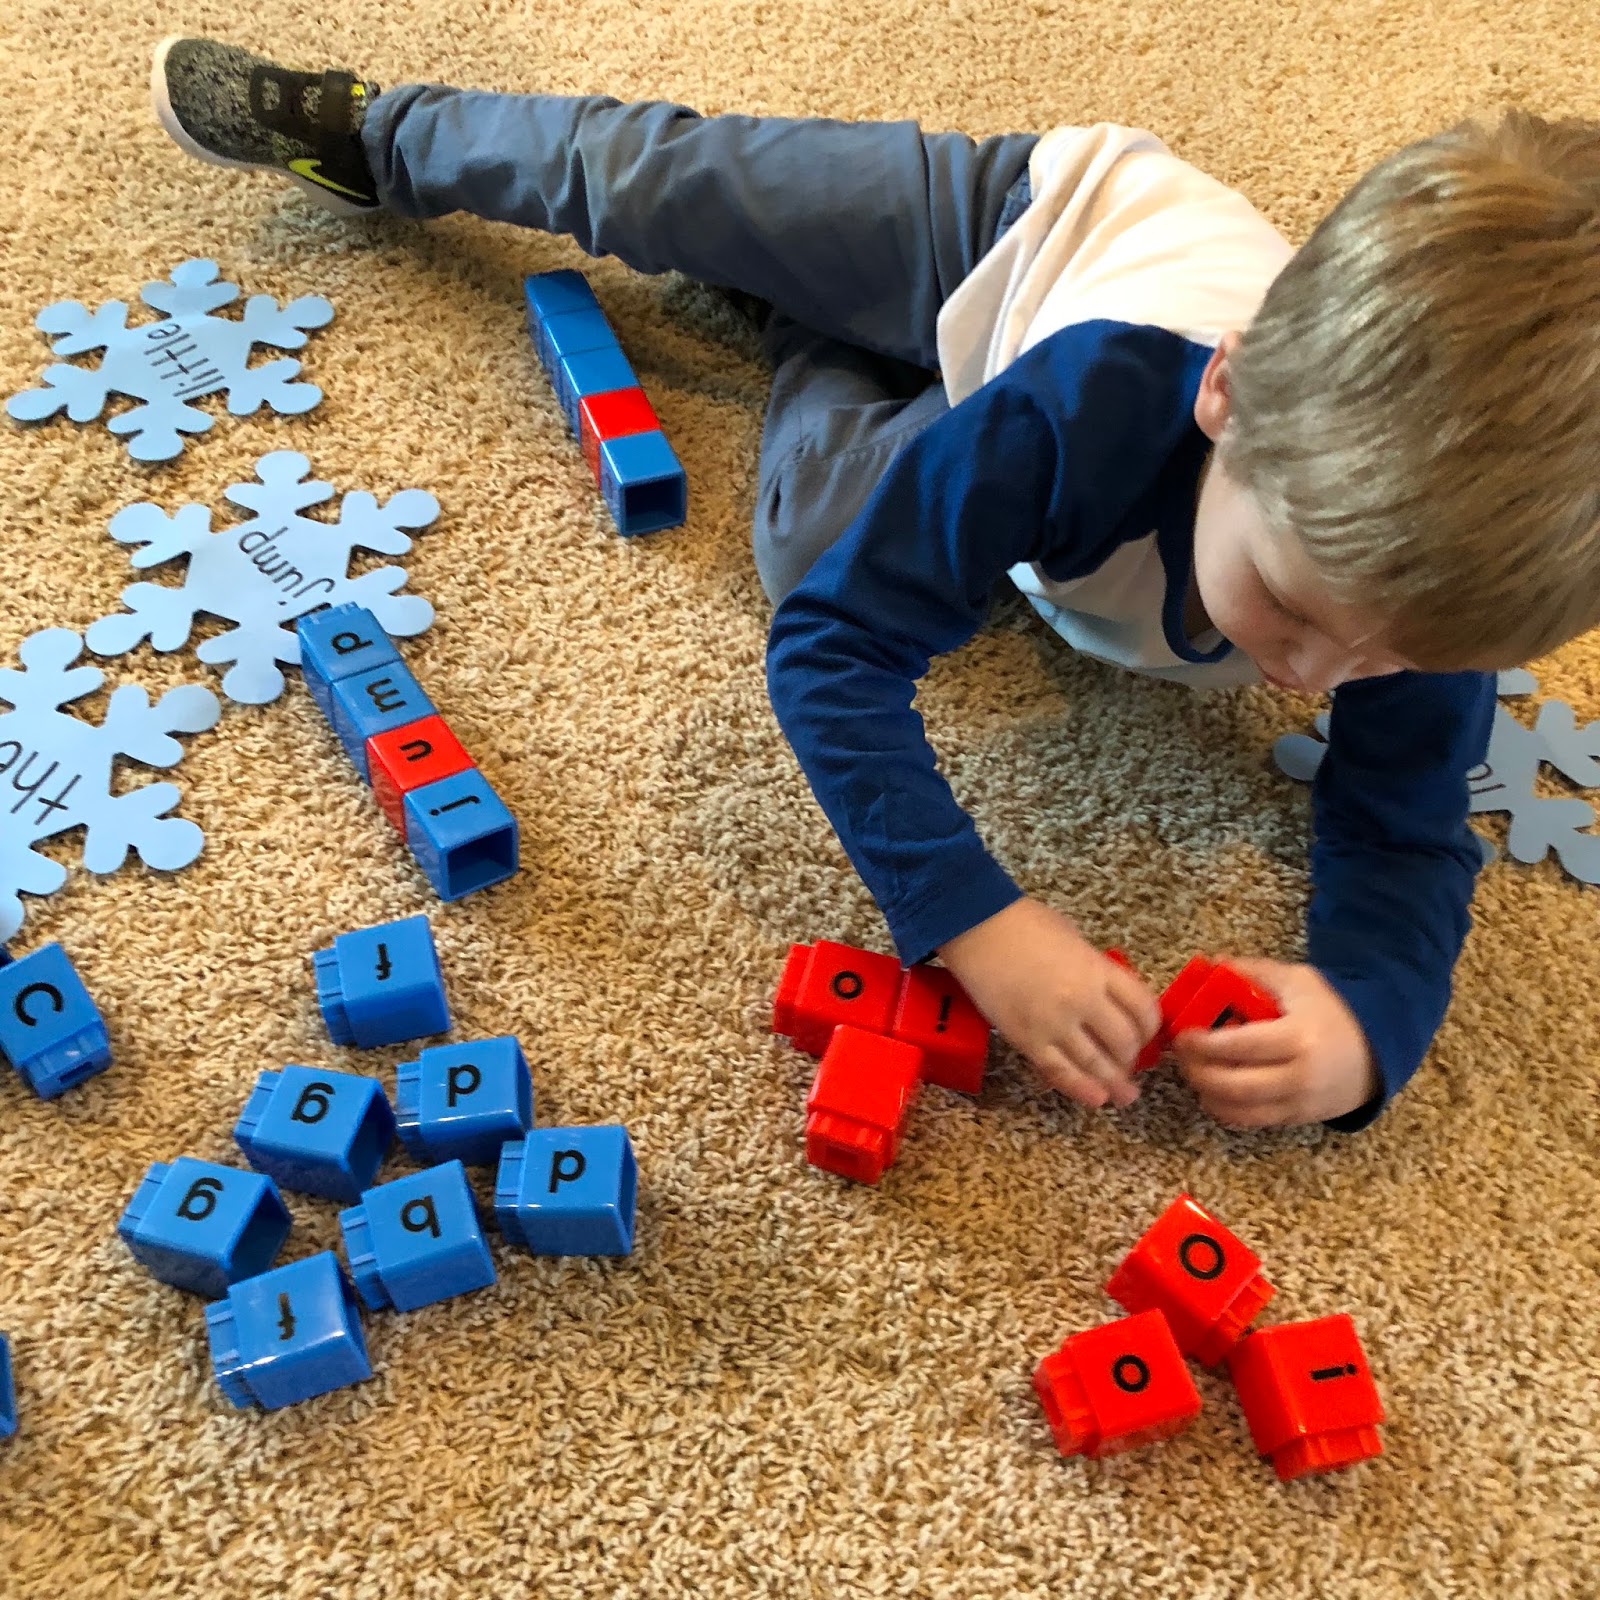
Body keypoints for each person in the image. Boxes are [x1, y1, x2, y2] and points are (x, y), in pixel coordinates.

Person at [149, 38, 1600, 1130]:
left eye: (1380, 661)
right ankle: (380, 132)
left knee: (818, 528)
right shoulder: (1103, 404)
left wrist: (1365, 1025)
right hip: (1006, 233)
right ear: (1227, 401)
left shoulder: (1423, 613)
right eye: (1290, 607)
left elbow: (1409, 835)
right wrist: (978, 918)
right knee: (668, 185)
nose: (1313, 678)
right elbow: (835, 652)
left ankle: (816, 336)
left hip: (1008, 434)